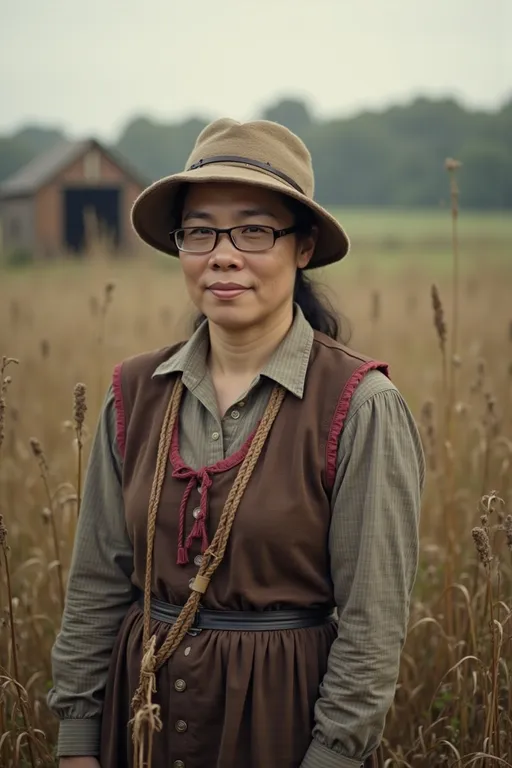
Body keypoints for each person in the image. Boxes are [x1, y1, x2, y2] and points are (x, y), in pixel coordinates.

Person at [48, 118, 425, 768]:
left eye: (254, 230)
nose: (223, 254)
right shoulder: (133, 393)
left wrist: (333, 755)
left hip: (278, 723)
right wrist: (78, 742)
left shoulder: (360, 406)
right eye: (201, 231)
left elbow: (372, 629)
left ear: (302, 247)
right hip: (138, 727)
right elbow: (95, 586)